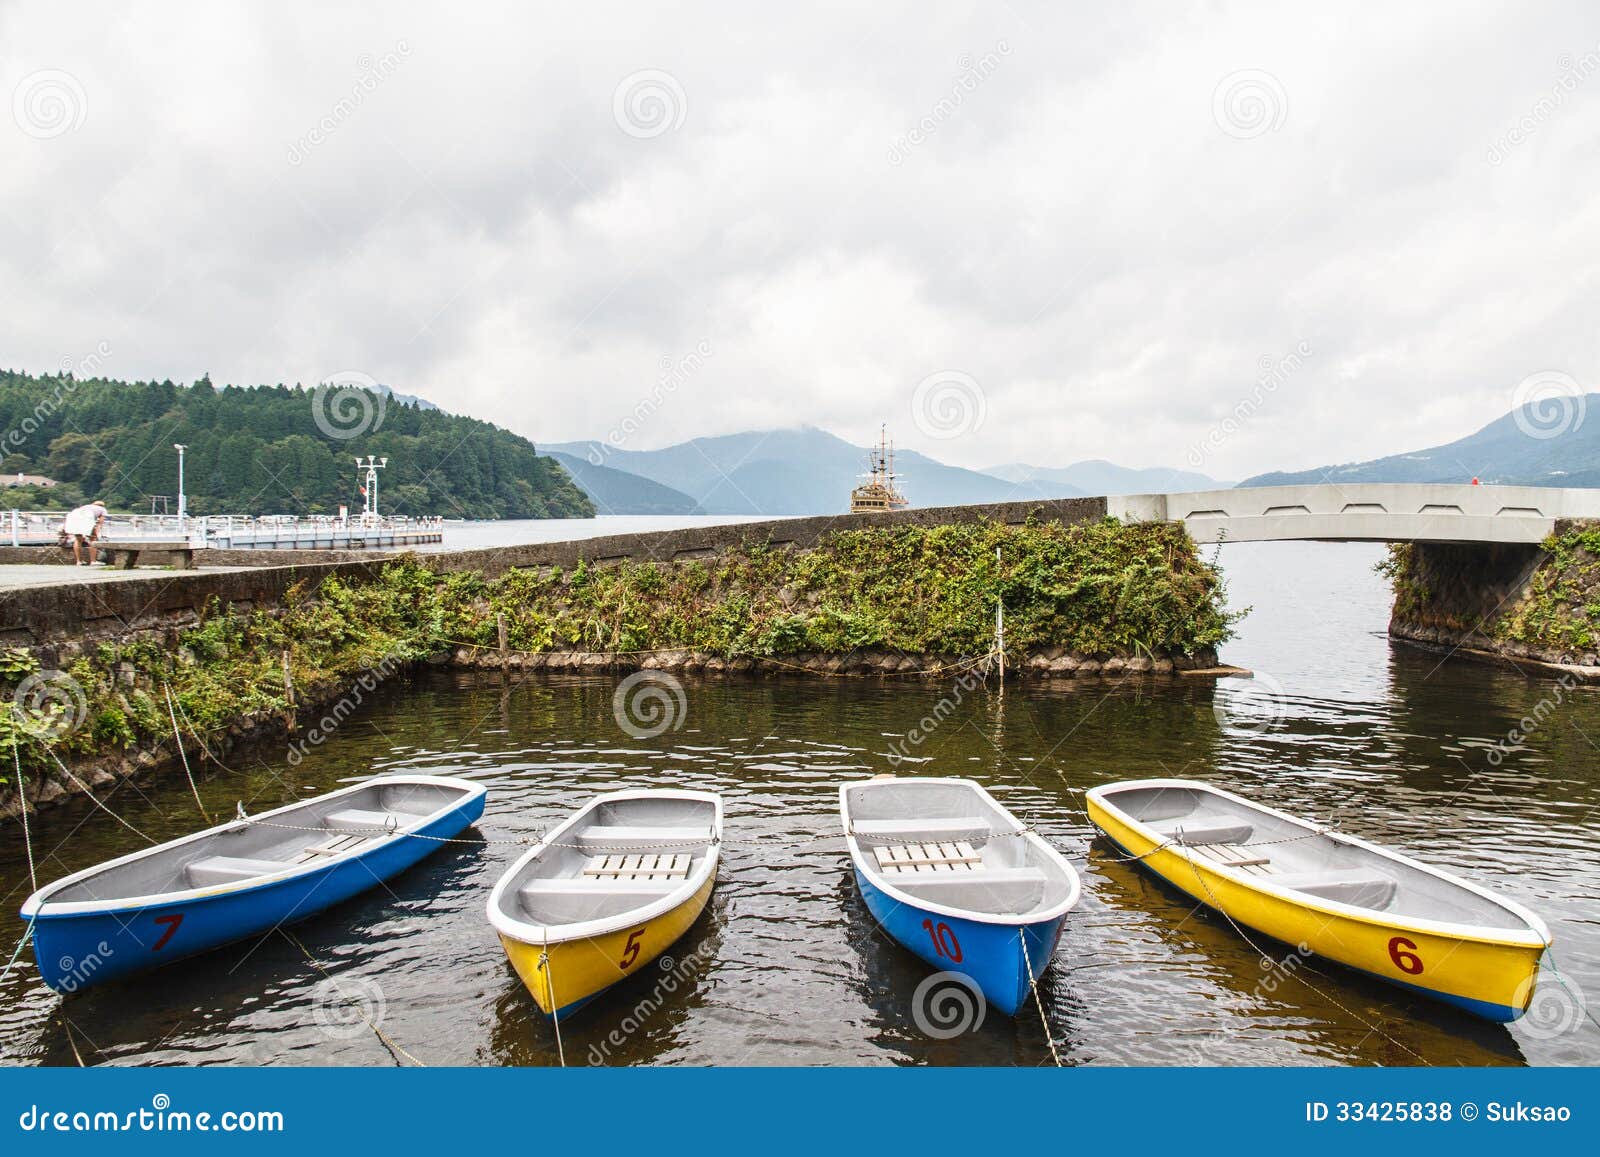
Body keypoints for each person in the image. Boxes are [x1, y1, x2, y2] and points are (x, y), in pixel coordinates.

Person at [62, 500, 108, 566]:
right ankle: (93, 561)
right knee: (93, 539)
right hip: (87, 516)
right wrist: (96, 532)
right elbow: (100, 522)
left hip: (73, 516)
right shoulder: (103, 509)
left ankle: (79, 561)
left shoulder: (85, 506)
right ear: (102, 505)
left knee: (78, 539)